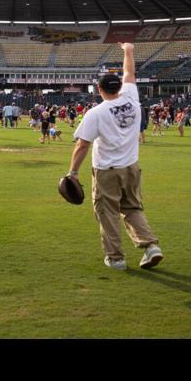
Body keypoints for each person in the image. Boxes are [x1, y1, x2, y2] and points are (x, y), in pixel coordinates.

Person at [68, 43, 162, 272]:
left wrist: (72, 172)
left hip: (106, 170)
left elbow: (82, 145)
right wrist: (128, 50)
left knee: (107, 213)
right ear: (119, 87)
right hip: (131, 166)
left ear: (99, 90)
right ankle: (151, 246)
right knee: (132, 207)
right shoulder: (131, 97)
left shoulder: (96, 113)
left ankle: (116, 258)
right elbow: (130, 72)